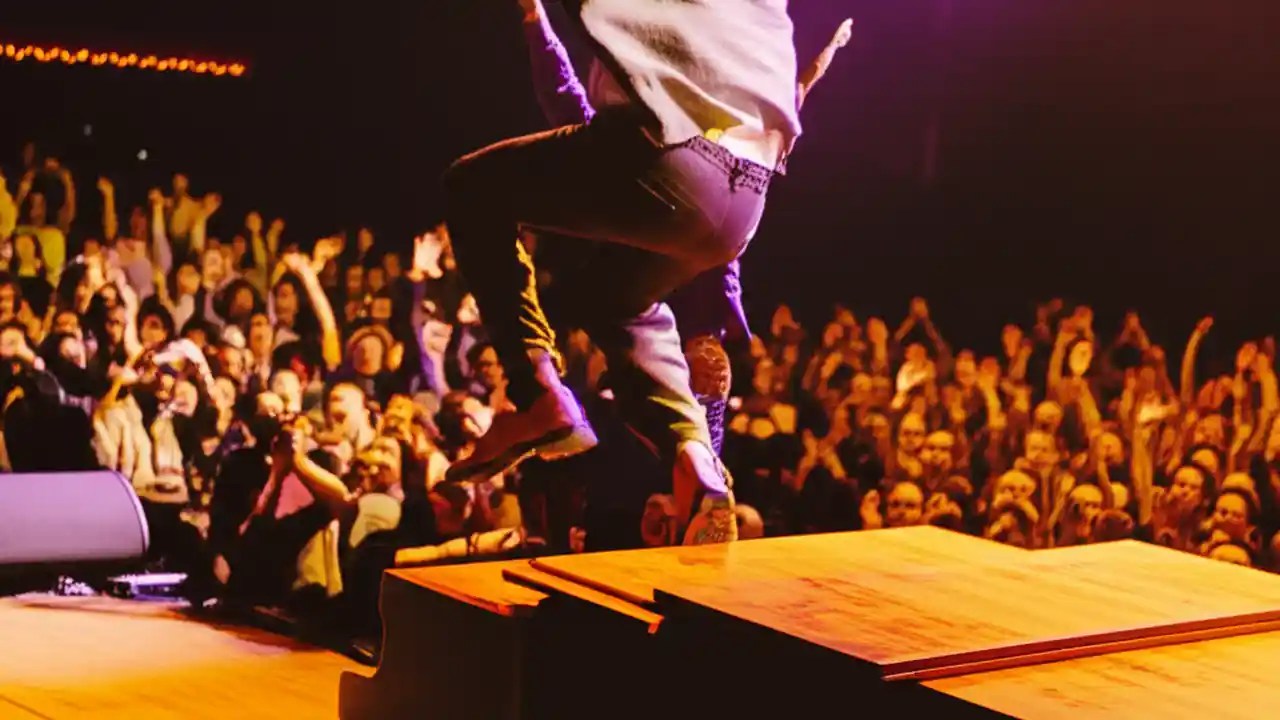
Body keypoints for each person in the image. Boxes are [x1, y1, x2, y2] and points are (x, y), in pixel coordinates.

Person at [442, 0, 808, 545]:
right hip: (745, 200)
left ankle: (535, 391)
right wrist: (535, 21)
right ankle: (693, 458)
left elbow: (570, 109)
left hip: (672, 161)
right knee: (612, 301)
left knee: (473, 188)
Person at [518, 0, 854, 457]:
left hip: (680, 297)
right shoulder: (635, 142)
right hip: (654, 289)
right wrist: (535, 20)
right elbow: (563, 95)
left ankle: (694, 448)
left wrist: (824, 56)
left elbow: (790, 97)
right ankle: (675, 433)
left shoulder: (725, 131)